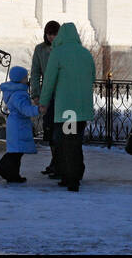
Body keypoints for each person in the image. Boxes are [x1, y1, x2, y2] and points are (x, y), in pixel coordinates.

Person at [37, 21, 95, 193]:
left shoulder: (58, 53)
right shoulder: (85, 53)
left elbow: (48, 82)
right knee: (76, 142)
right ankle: (76, 174)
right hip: (83, 109)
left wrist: (44, 102)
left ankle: (71, 178)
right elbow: (92, 77)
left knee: (68, 143)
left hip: (68, 110)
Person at [0, 65, 41, 184]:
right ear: (20, 79)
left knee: (15, 151)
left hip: (15, 123)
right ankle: (5, 170)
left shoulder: (12, 91)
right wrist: (38, 110)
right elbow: (24, 109)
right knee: (16, 152)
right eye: (25, 77)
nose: (27, 79)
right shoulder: (20, 94)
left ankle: (12, 174)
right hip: (19, 124)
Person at [29, 20, 60, 176]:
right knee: (50, 130)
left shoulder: (62, 49)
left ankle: (60, 163)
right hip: (48, 96)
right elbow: (35, 72)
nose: (52, 37)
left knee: (64, 131)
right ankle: (55, 161)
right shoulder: (40, 50)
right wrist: (35, 94)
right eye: (49, 34)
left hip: (63, 96)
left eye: (54, 34)